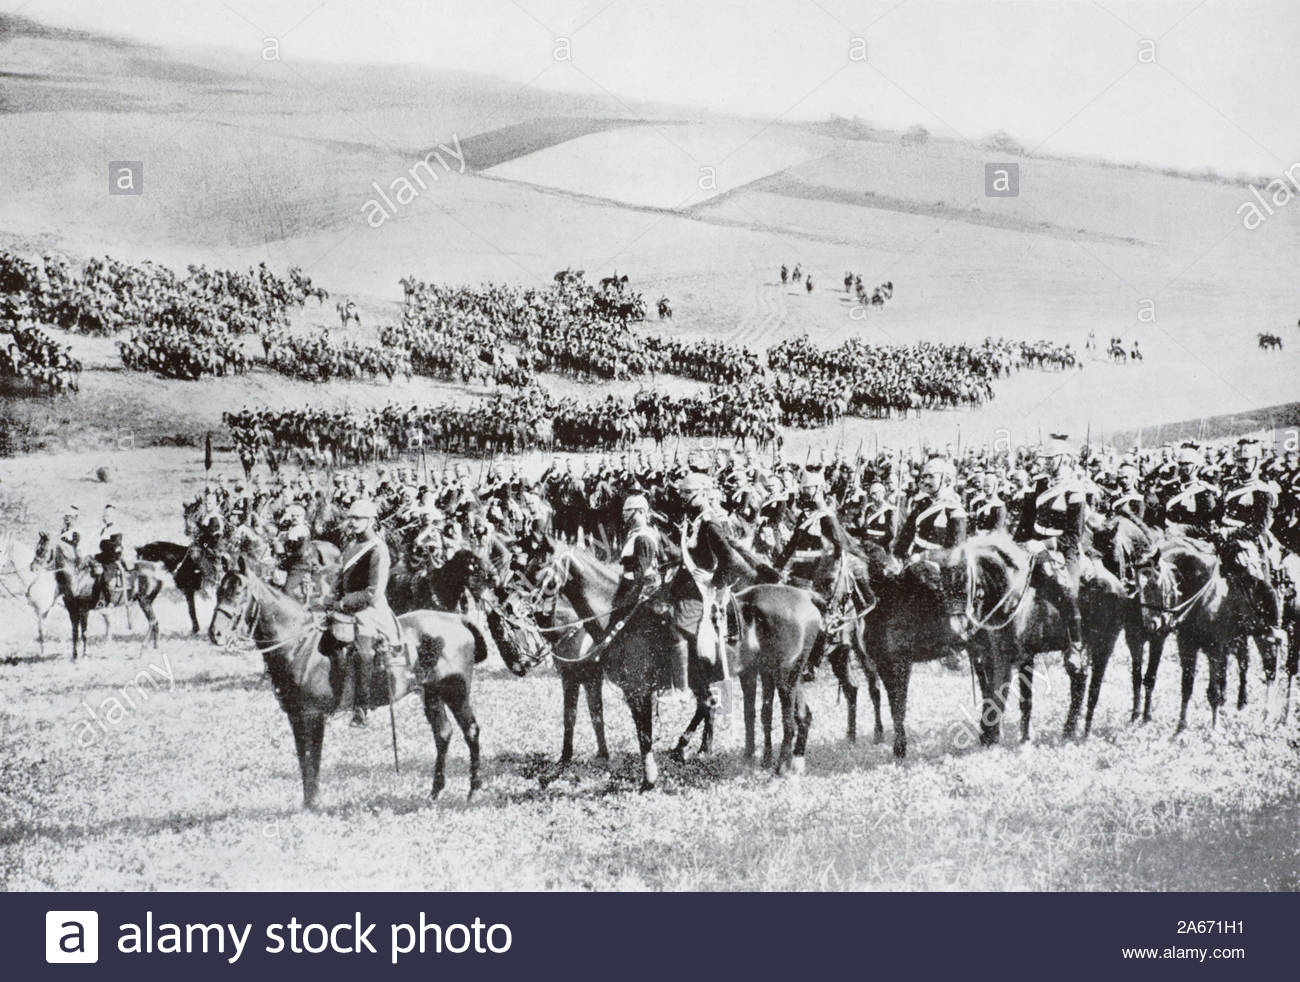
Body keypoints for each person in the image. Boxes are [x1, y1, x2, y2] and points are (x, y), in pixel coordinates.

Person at [667, 473, 751, 696]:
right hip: (688, 582)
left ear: (703, 493)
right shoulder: (693, 520)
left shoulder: (709, 523)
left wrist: (715, 583)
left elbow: (729, 558)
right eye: (682, 492)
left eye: (688, 492)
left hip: (704, 587)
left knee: (678, 627)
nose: (683, 497)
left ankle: (682, 690)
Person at [1013, 435, 1091, 673]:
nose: (1046, 463)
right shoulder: (1040, 486)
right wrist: (1019, 544)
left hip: (1063, 552)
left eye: (1051, 459)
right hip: (1033, 548)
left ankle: (1076, 645)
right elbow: (1026, 523)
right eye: (1045, 459)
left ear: (1064, 459)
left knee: (1066, 587)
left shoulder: (1076, 490)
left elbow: (1072, 536)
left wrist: (1045, 545)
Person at [326, 498, 395, 727]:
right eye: (351, 518)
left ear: (371, 521)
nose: (353, 523)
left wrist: (343, 603)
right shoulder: (350, 546)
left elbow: (373, 592)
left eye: (358, 518)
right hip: (345, 606)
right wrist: (331, 595)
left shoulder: (378, 549)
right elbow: (340, 577)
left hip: (369, 610)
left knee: (362, 651)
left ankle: (362, 708)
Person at [894, 457, 967, 558]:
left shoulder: (954, 509)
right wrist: (898, 556)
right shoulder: (922, 504)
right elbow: (907, 534)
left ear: (946, 479)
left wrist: (925, 557)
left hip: (939, 565)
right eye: (925, 476)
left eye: (931, 477)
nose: (926, 481)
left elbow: (955, 550)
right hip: (914, 559)